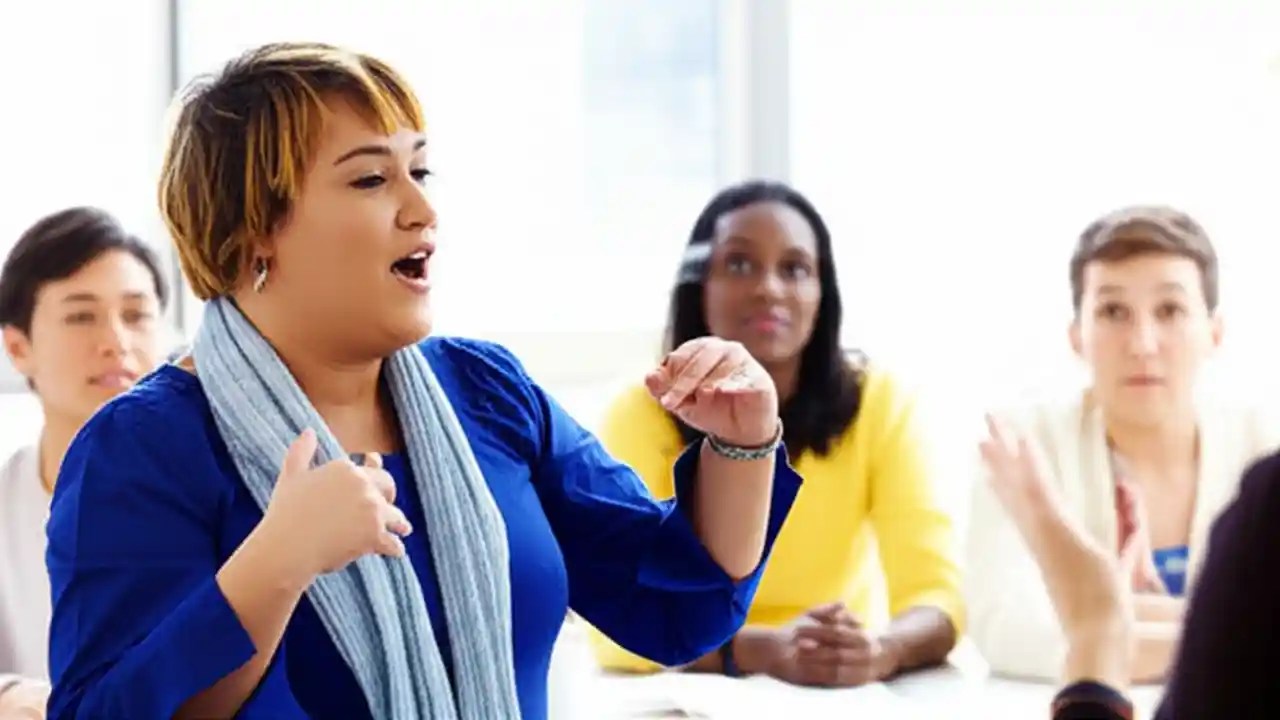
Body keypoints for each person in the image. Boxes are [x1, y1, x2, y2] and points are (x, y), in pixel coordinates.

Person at [44, 43, 801, 720]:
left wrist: (744, 445)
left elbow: (673, 605)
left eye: (421, 169)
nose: (423, 208)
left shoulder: (487, 390)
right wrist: (274, 566)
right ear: (251, 238)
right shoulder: (138, 448)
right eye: (373, 178)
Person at [588, 180, 963, 686]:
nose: (769, 288)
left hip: (836, 690)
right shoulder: (642, 408)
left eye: (795, 268)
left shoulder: (878, 403)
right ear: (700, 285)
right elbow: (610, 626)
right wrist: (762, 650)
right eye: (740, 264)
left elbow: (938, 598)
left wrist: (880, 652)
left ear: (821, 294)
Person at [965, 205, 1279, 682]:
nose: (1142, 343)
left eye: (1170, 310)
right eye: (1113, 312)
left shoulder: (1265, 449)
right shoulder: (1026, 448)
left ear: (1214, 333)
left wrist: (1103, 622)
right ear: (1077, 336)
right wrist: (1220, 637)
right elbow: (1005, 630)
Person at [981, 412, 1280, 719]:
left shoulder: (1263, 483)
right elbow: (1004, 627)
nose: (1143, 359)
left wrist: (1098, 636)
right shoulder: (1032, 438)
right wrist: (1200, 627)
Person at [0, 207, 169, 719]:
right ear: (17, 346)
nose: (116, 342)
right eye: (81, 315)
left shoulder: (217, 497)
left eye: (137, 315)